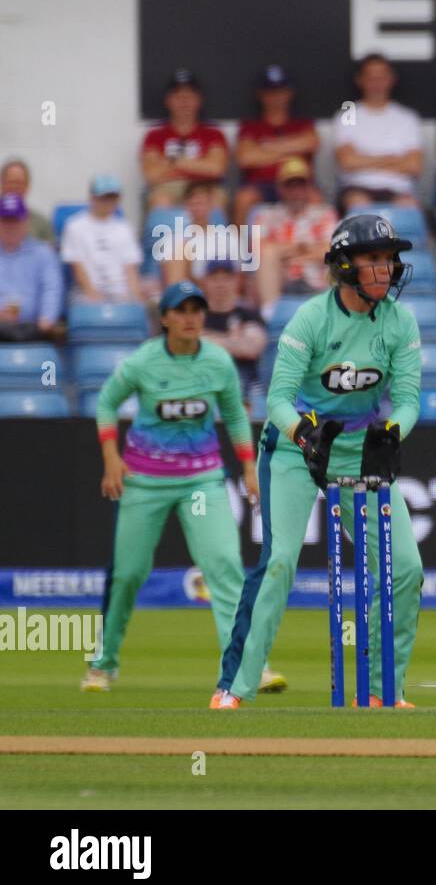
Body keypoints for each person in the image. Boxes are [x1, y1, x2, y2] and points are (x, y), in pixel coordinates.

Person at [211, 214, 424, 709]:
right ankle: (233, 688)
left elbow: (409, 400)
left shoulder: (400, 322)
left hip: (357, 450)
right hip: (294, 447)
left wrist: (393, 432)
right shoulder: (310, 318)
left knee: (406, 568)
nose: (387, 269)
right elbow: (278, 399)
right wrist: (305, 435)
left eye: (390, 259)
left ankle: (379, 690)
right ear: (346, 266)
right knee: (281, 560)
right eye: (375, 259)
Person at [83, 280, 285, 694]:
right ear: (165, 319)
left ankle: (247, 665)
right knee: (128, 575)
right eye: (182, 311)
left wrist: (249, 468)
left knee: (225, 566)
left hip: (201, 481)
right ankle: (103, 664)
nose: (192, 318)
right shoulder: (143, 362)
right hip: (145, 481)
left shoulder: (217, 362)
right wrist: (111, 458)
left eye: (197, 310)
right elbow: (105, 403)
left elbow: (233, 416)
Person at [334, 54, 423, 211]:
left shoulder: (407, 117)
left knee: (408, 207)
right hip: (357, 188)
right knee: (360, 204)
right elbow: (347, 162)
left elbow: (414, 165)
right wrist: (391, 159)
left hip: (398, 190)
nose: (376, 83)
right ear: (359, 80)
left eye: (381, 77)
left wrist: (364, 159)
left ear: (391, 79)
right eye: (371, 78)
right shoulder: (349, 112)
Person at [233, 64, 320, 226]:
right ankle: (240, 250)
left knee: (315, 197)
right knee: (244, 198)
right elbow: (245, 158)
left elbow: (311, 143)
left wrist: (265, 147)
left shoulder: (302, 124)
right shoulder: (250, 127)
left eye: (280, 91)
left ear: (289, 93)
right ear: (261, 95)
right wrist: (291, 152)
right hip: (261, 186)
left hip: (297, 182)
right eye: (270, 92)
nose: (275, 97)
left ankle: (316, 247)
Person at [251, 157, 338, 315]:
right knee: (267, 254)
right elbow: (258, 250)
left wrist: (284, 253)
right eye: (290, 185)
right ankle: (271, 316)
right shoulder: (266, 215)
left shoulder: (324, 213)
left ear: (309, 187)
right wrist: (304, 248)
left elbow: (331, 250)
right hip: (281, 281)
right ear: (280, 188)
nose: (296, 191)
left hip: (316, 282)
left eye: (301, 185)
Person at [140, 68, 229, 209]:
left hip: (206, 187)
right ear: (168, 101)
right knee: (160, 201)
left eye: (189, 96)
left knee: (217, 201)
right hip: (168, 187)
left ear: (199, 100)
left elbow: (216, 169)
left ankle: (212, 232)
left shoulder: (213, 133)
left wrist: (173, 162)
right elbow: (152, 175)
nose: (184, 101)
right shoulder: (155, 135)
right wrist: (199, 166)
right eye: (178, 96)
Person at [60, 174, 144, 304]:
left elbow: (131, 270)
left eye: (112, 198)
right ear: (92, 198)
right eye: (104, 198)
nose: (108, 202)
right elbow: (77, 268)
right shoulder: (74, 226)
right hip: (86, 292)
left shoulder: (125, 228)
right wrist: (94, 296)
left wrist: (135, 299)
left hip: (121, 291)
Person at [201, 259, 269, 405]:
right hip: (206, 386)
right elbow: (187, 346)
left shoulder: (249, 314)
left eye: (226, 278)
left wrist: (206, 339)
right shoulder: (197, 316)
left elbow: (251, 348)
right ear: (205, 282)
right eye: (215, 279)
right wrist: (234, 340)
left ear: (236, 281)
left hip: (247, 390)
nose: (220, 284)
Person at [0, 194, 63, 343]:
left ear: (25, 223)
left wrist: (47, 318)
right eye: (5, 222)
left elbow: (52, 288)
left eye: (15, 221)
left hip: (33, 329)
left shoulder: (43, 253)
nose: (10, 227)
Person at [0, 158, 54, 244]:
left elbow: (49, 253)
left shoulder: (41, 223)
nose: (14, 187)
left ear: (27, 186)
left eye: (19, 183)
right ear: (2, 184)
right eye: (11, 182)